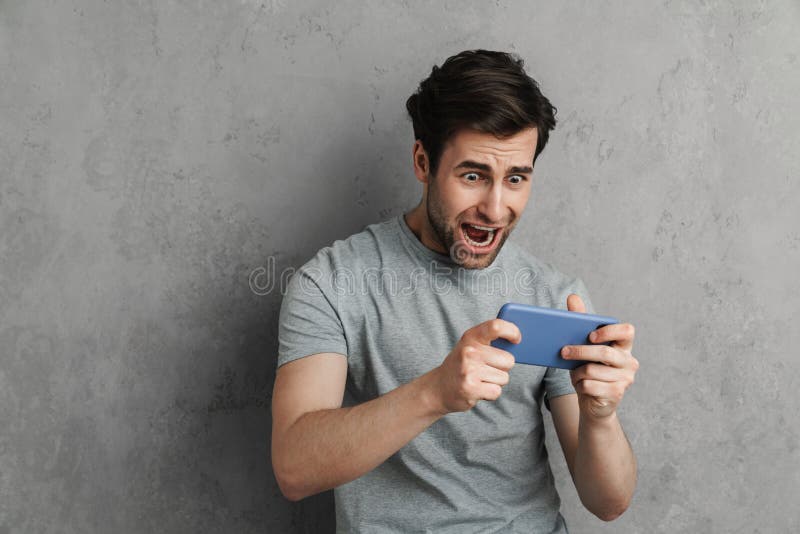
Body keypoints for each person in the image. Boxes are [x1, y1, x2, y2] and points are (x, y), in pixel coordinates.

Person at [271, 49, 639, 533]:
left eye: (515, 179)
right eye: (473, 176)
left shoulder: (554, 294)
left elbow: (608, 503)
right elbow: (294, 469)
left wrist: (600, 416)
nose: (495, 207)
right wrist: (435, 393)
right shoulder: (333, 282)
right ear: (423, 162)